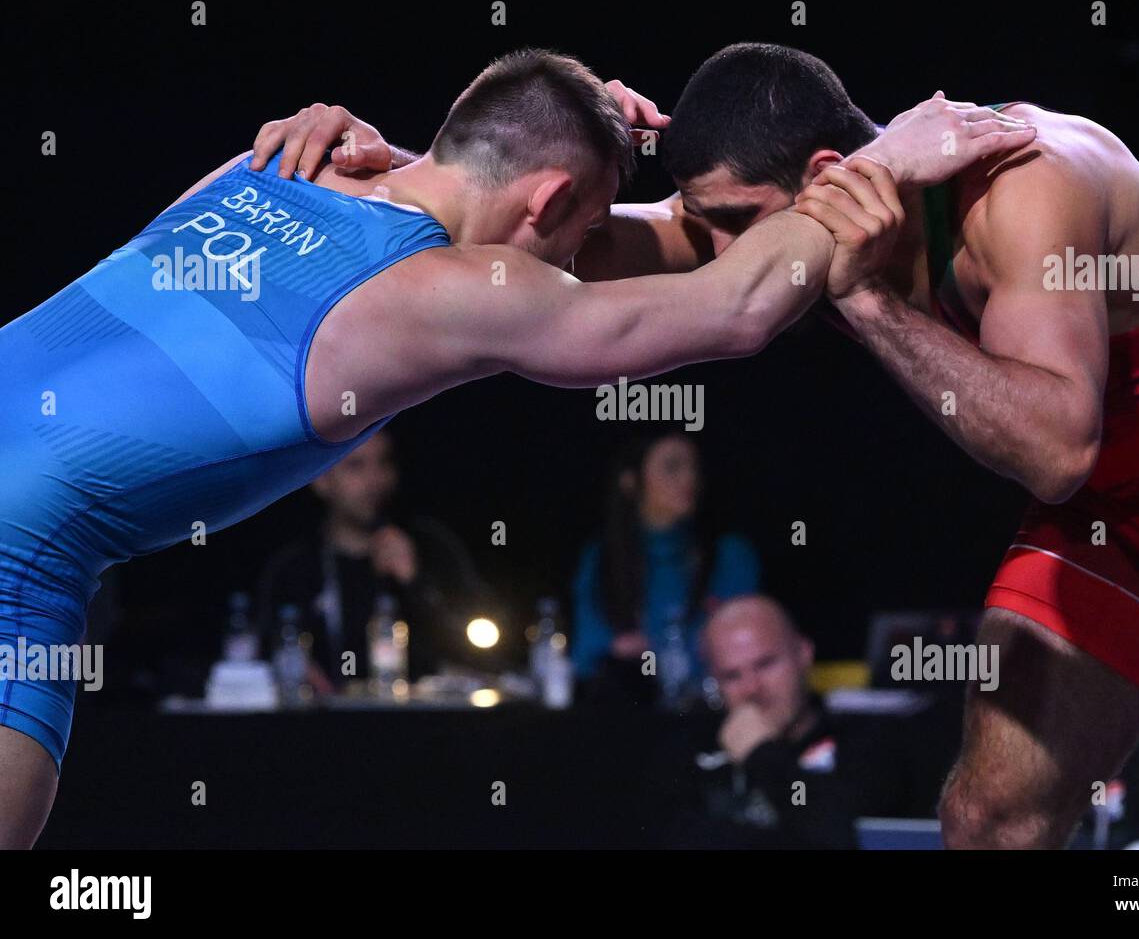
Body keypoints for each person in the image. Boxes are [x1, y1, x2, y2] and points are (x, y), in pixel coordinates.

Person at [274, 41, 1139, 846]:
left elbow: (1052, 447)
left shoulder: (1026, 185)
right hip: (1118, 515)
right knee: (990, 822)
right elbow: (543, 242)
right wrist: (412, 166)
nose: (727, 259)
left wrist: (864, 302)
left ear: (822, 173)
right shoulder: (804, 201)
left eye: (730, 224)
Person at [0, 47, 985, 846]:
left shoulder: (275, 166)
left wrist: (576, 119)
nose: (576, 263)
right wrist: (877, 168)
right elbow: (736, 309)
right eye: (584, 232)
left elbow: (503, 161)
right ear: (548, 202)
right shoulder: (452, 294)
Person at [661, 594, 907, 847]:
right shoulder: (695, 754)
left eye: (766, 664)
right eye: (732, 675)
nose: (752, 688)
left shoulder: (863, 742)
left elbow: (840, 836)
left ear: (803, 653)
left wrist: (761, 753)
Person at [256, 429, 486, 688]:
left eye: (384, 462)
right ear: (321, 480)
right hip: (324, 722)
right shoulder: (293, 567)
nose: (375, 479)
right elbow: (262, 654)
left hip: (421, 720)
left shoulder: (430, 545)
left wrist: (415, 583)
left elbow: (482, 650)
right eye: (356, 466)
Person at [571, 430, 758, 703]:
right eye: (672, 467)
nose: (689, 478)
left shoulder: (730, 555)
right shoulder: (602, 557)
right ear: (631, 481)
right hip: (631, 716)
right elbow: (585, 654)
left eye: (694, 467)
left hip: (713, 710)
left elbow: (744, 646)